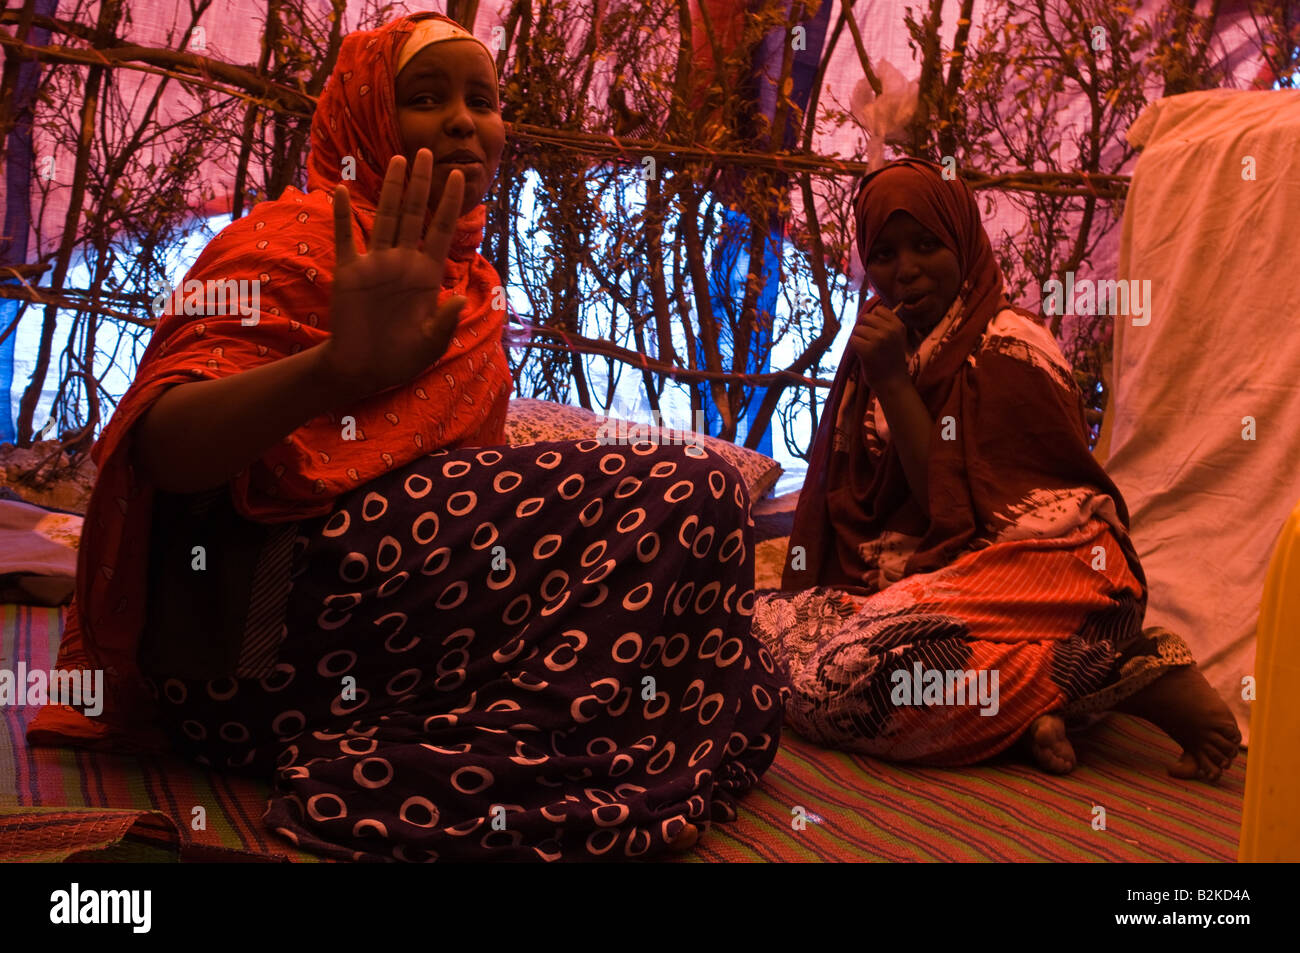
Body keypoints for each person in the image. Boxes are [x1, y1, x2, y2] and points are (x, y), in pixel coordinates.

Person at [29, 12, 787, 862]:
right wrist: (337, 371)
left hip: (382, 634)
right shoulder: (287, 241)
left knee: (739, 674)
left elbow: (455, 495)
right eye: (427, 99)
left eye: (484, 100)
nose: (465, 120)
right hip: (247, 649)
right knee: (694, 490)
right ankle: (383, 781)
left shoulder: (472, 288)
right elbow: (161, 450)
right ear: (366, 122)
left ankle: (450, 750)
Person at [751, 157, 1241, 781]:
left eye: (927, 245)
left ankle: (1124, 671)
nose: (905, 271)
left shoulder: (1010, 346)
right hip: (938, 590)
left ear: (962, 238)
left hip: (1053, 573)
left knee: (833, 685)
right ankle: (1042, 700)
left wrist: (896, 384)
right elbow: (855, 512)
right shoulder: (878, 348)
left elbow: (952, 511)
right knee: (755, 631)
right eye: (883, 255)